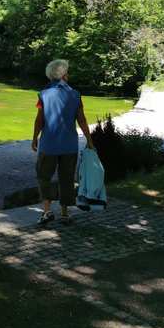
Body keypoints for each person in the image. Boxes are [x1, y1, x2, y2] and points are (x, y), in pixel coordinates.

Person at [32, 59, 93, 226]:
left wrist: (34, 138)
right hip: (69, 145)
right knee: (66, 178)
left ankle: (47, 212)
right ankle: (65, 214)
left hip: (48, 144)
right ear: (64, 75)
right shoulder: (75, 94)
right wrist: (89, 140)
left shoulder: (43, 94)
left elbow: (39, 120)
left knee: (44, 177)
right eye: (68, 72)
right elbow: (82, 120)